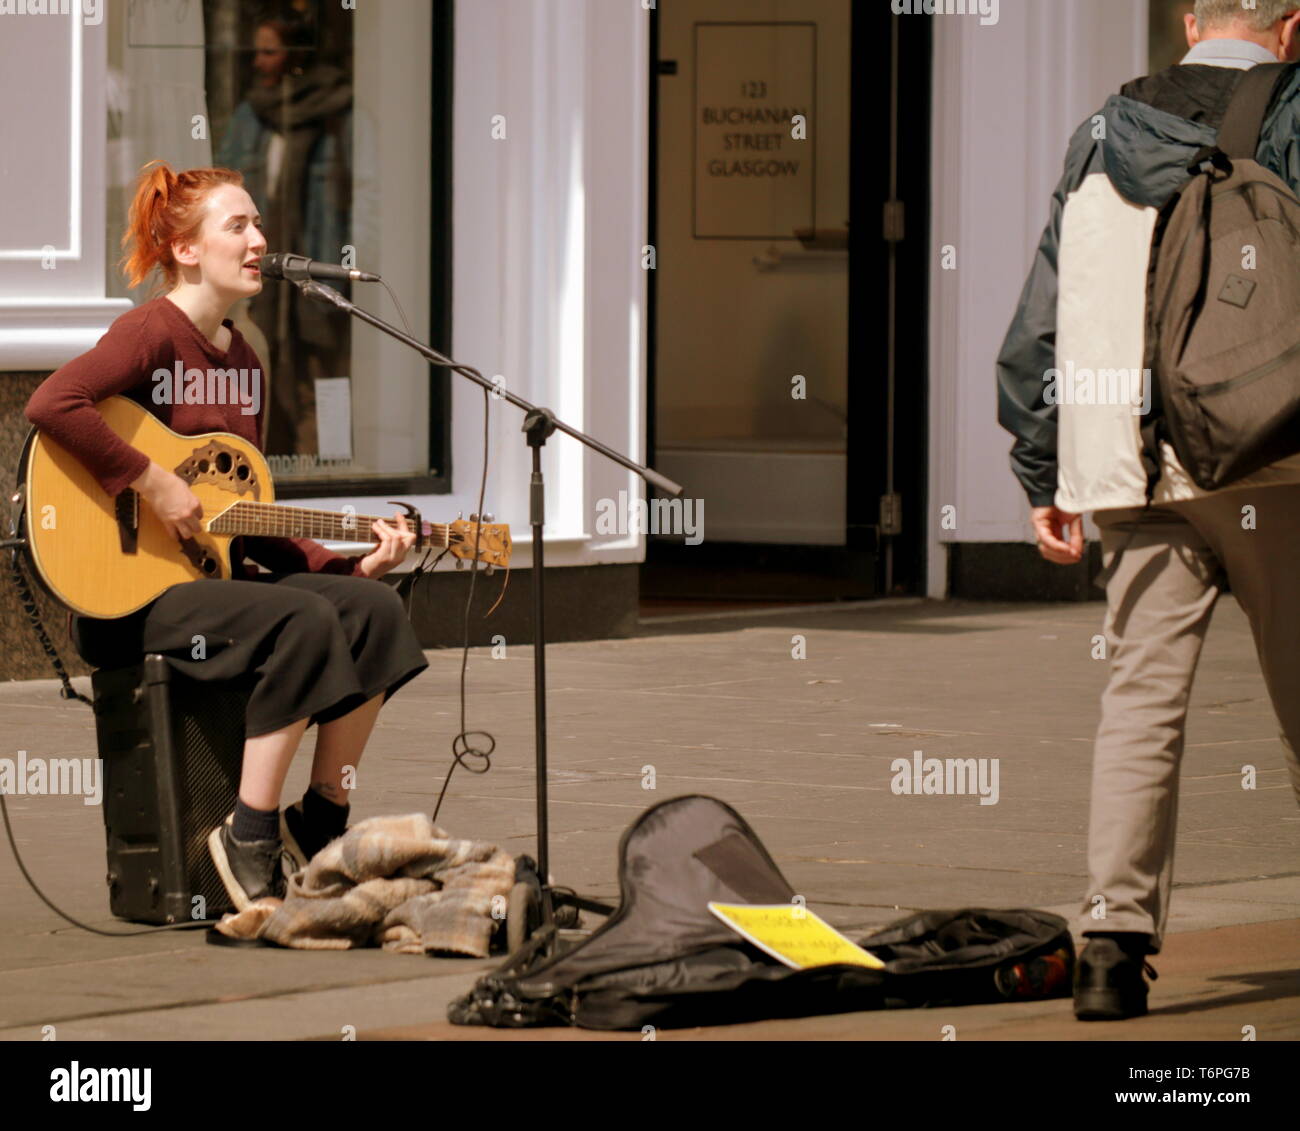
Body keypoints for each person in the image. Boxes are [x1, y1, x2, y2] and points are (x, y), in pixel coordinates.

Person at [995, 0, 1300, 1020]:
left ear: (1184, 22)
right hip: (1268, 466)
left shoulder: (1101, 131)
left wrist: (1042, 469)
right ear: (1291, 27)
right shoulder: (1294, 112)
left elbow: (1044, 311)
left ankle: (1110, 950)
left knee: (1138, 705)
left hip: (1128, 465)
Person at [24, 161, 429, 911]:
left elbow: (251, 522)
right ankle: (248, 834)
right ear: (185, 250)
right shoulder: (151, 332)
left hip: (214, 585)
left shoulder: (245, 360)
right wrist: (152, 479)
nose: (259, 241)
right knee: (303, 619)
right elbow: (53, 403)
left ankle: (322, 820)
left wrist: (352, 562)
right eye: (237, 226)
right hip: (135, 598)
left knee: (372, 611)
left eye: (258, 225)